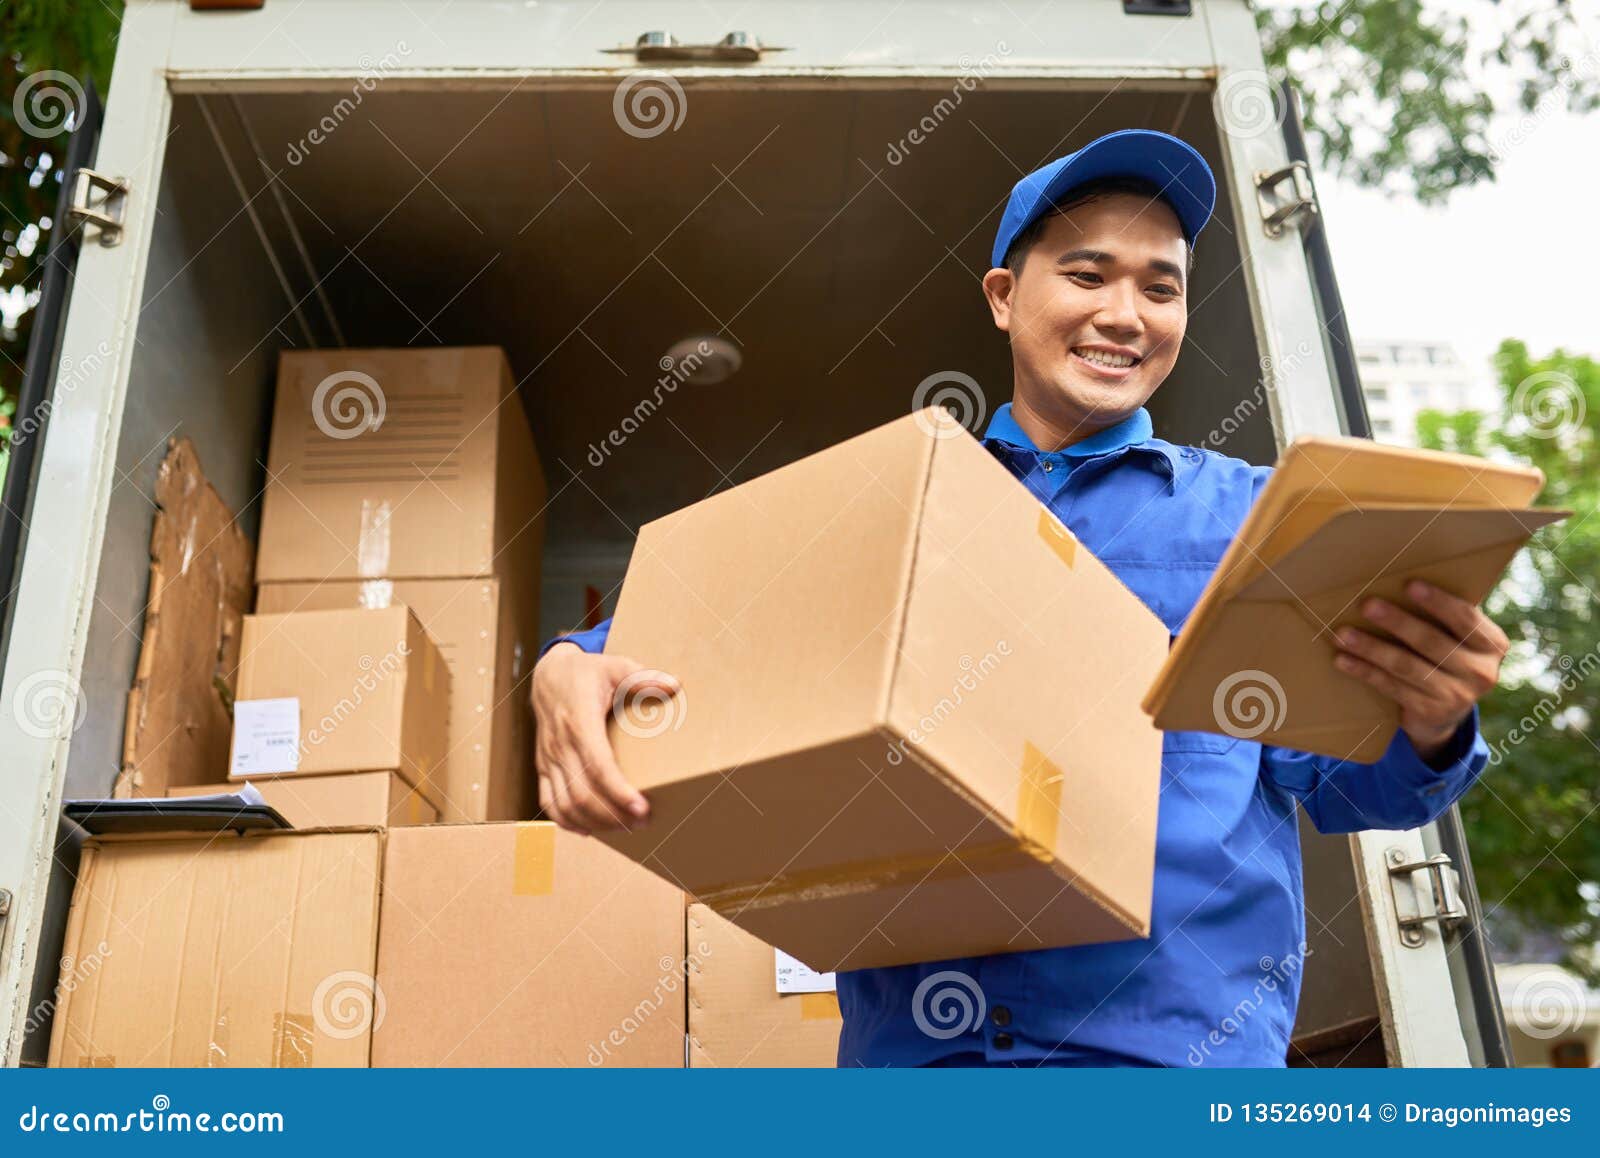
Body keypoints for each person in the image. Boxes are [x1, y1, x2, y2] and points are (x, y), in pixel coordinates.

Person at [529, 128, 1506, 1067]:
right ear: (1003, 296)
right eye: (1086, 275)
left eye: (1160, 288)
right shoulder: (895, 501)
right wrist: (565, 666)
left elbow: (1348, 785)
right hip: (921, 1064)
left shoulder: (1254, 519)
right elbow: (710, 640)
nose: (1125, 314)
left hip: (1167, 1061)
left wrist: (1430, 721)